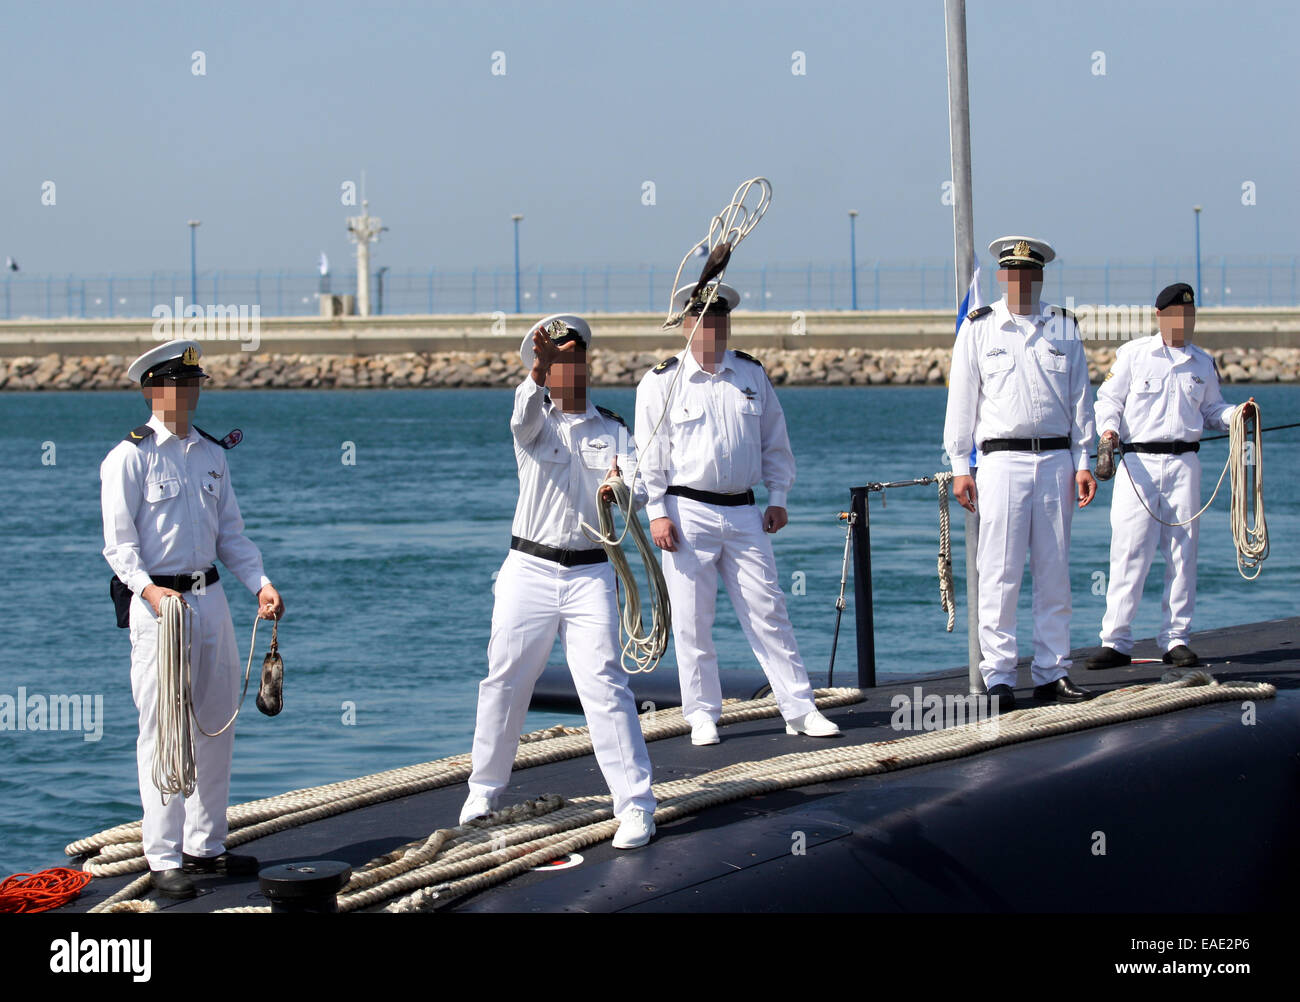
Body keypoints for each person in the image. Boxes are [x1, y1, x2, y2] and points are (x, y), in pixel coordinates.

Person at [461, 314, 657, 850]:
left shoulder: (613, 429)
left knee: (605, 684)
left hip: (591, 569)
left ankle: (636, 806)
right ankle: (483, 793)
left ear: (587, 363)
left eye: (575, 359)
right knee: (505, 680)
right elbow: (522, 414)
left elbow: (638, 484)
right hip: (529, 567)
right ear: (543, 370)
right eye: (556, 362)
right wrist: (536, 371)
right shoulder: (534, 424)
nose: (569, 370)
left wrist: (622, 488)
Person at [100, 340, 284, 899]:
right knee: (164, 732)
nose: (189, 394)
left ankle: (206, 846)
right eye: (179, 385)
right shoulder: (129, 457)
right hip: (161, 608)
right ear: (154, 391)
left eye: (194, 384)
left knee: (216, 721)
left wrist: (260, 583)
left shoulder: (212, 454)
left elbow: (232, 535)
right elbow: (119, 546)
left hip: (211, 599)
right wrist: (148, 590)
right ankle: (162, 856)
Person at [634, 282, 839, 746]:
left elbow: (774, 440)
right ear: (686, 325)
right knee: (692, 620)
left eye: (719, 320)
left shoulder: (750, 373)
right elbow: (650, 454)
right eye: (702, 319)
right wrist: (657, 512)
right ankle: (702, 715)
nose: (711, 328)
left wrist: (779, 495)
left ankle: (800, 709)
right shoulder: (661, 382)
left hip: (745, 511)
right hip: (687, 510)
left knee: (770, 611)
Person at [943, 237, 1097, 711]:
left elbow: (1081, 401)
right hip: (1001, 462)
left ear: (1041, 277)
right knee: (1000, 573)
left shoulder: (1063, 327)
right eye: (1013, 274)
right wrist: (960, 466)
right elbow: (962, 401)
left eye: (1030, 274)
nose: (1021, 281)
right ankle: (1000, 676)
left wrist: (1085, 461)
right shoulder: (979, 327)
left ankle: (1053, 671)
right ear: (1001, 277)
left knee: (1054, 573)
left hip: (1055, 461)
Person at [1087, 283, 1254, 669]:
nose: (1184, 321)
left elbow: (1211, 411)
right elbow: (1108, 400)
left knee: (1183, 551)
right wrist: (1108, 431)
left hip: (1184, 464)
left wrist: (1236, 415)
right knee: (1129, 551)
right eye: (1178, 314)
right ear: (1160, 316)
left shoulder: (1202, 363)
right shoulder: (1134, 355)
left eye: (1190, 315)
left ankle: (1176, 638)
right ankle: (1116, 640)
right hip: (1138, 463)